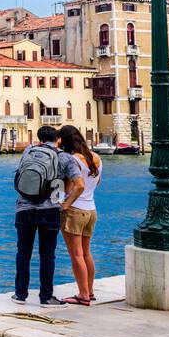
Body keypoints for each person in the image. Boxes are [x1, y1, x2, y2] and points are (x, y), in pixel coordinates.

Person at [13, 125, 83, 306]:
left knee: (23, 252)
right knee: (47, 254)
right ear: (58, 139)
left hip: (24, 209)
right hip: (50, 210)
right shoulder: (65, 157)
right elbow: (80, 184)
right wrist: (66, 204)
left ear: (39, 138)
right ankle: (46, 297)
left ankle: (20, 294)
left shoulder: (28, 151)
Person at [59, 124, 101, 305]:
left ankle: (83, 295)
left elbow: (74, 186)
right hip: (91, 209)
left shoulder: (72, 160)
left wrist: (65, 203)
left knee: (76, 254)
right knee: (86, 253)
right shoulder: (96, 157)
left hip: (75, 210)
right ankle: (89, 291)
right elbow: (96, 183)